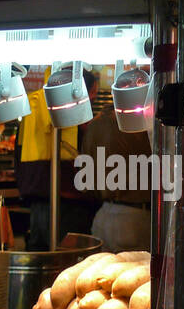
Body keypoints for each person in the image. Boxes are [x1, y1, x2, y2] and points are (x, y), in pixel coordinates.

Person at [16, 69, 101, 250]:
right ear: (80, 90)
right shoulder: (71, 109)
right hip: (68, 200)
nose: (94, 96)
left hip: (38, 193)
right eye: (93, 91)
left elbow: (19, 149)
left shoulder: (34, 102)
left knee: (41, 256)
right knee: (66, 260)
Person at [80, 99, 152, 251]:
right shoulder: (140, 124)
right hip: (134, 219)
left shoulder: (94, 124)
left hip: (103, 215)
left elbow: (85, 178)